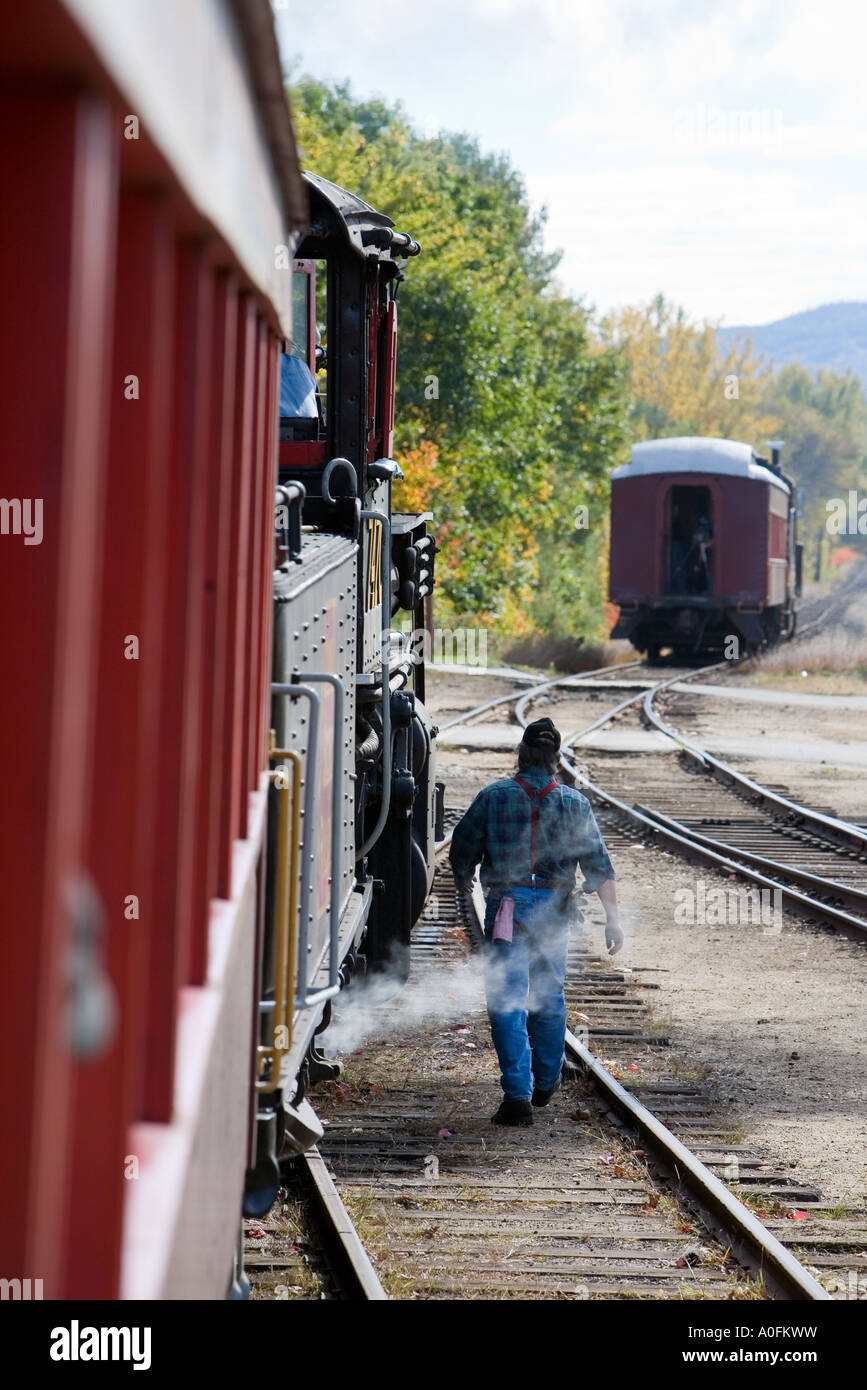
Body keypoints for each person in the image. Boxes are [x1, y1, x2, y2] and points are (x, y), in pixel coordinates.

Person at [449, 716, 622, 1127]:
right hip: (554, 909)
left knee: (507, 999)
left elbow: (460, 852)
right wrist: (614, 921)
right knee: (548, 996)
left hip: (508, 905)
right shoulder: (575, 802)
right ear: (554, 760)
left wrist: (464, 880)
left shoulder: (494, 796)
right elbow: (600, 867)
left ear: (522, 754)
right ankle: (545, 1081)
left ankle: (517, 1098)